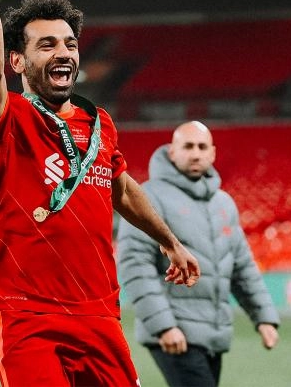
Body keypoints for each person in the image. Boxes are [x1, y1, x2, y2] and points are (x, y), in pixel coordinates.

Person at [0, 0, 200, 387]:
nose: (64, 53)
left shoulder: (99, 123)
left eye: (70, 44)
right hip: (27, 310)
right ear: (18, 61)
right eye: (47, 44)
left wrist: (170, 242)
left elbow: (120, 189)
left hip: (98, 311)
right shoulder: (8, 116)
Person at [116, 121, 280, 387]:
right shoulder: (149, 197)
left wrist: (264, 318)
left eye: (202, 147)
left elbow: (242, 266)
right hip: (174, 331)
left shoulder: (223, 204)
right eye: (188, 146)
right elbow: (135, 265)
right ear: (172, 152)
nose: (195, 153)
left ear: (212, 153)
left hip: (213, 336)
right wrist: (164, 326)